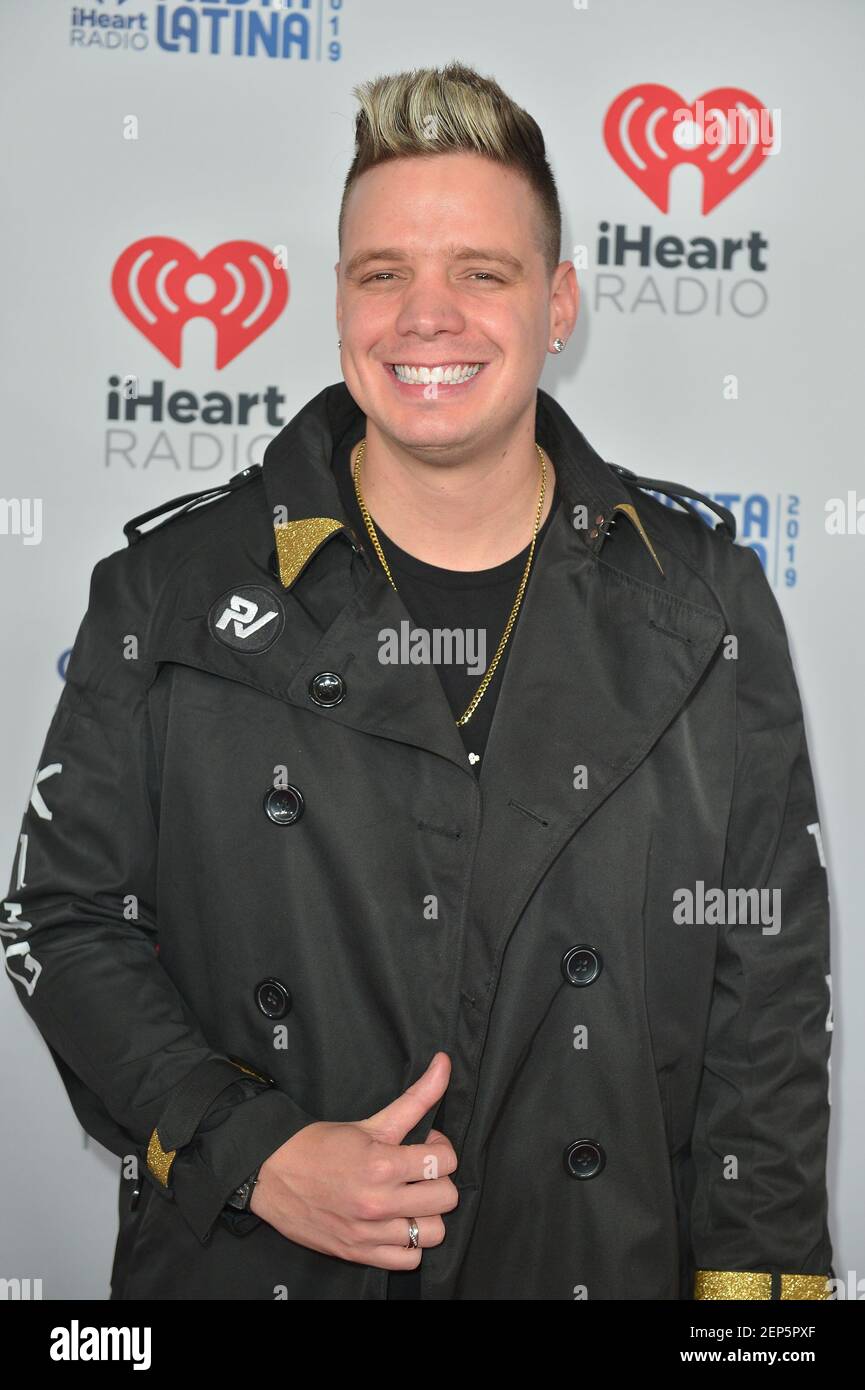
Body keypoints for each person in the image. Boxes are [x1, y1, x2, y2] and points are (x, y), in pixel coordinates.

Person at [3, 61, 833, 1301]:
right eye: (382, 273)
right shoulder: (171, 588)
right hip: (262, 1267)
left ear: (558, 306)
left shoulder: (704, 601)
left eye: (480, 274)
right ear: (339, 302)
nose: (424, 319)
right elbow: (64, 925)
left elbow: (760, 995)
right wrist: (253, 1150)